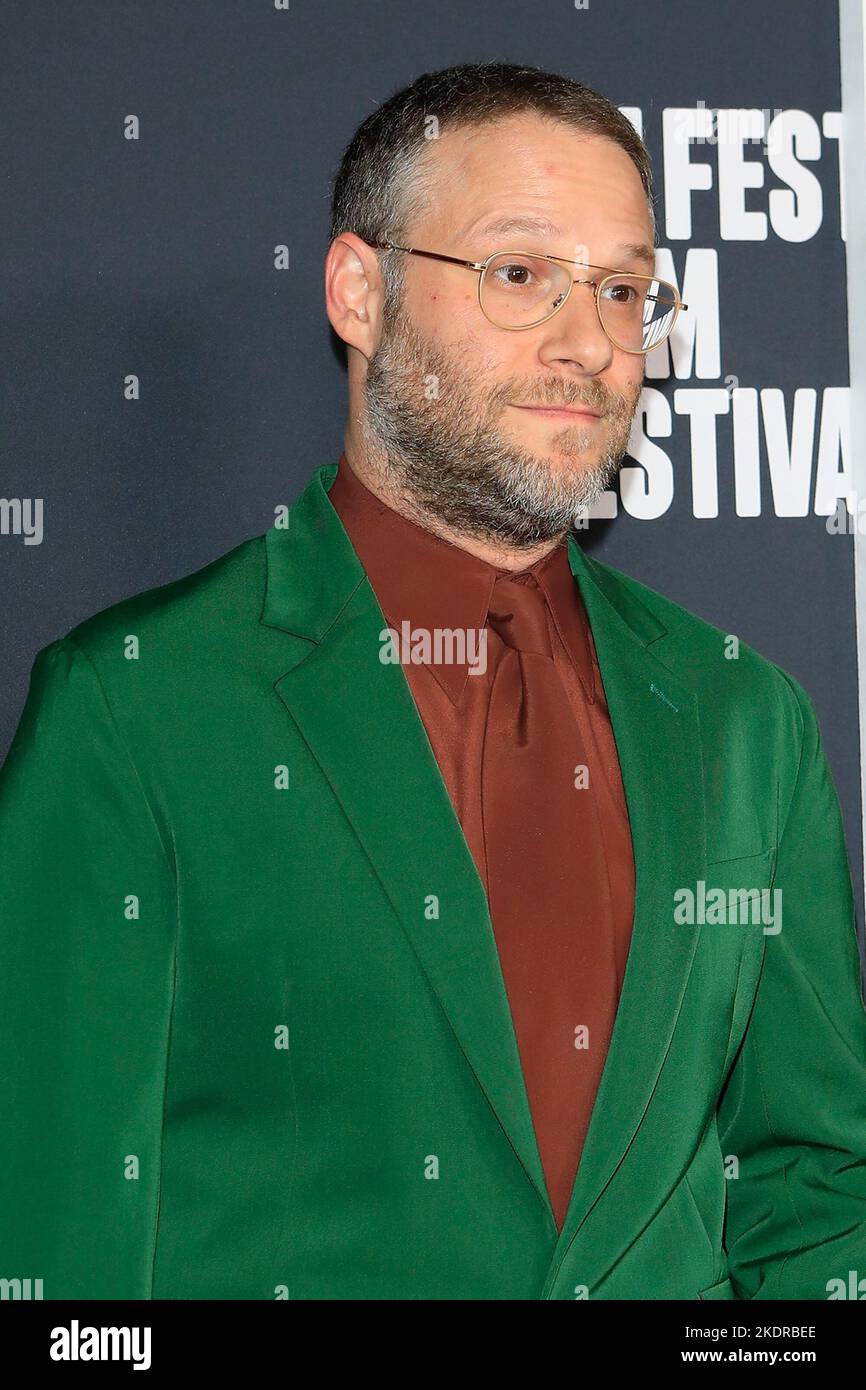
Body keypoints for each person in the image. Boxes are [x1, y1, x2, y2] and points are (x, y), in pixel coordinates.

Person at [1, 61, 865, 1302]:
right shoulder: (135, 707)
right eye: (520, 275)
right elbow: (53, 1256)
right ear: (360, 291)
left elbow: (810, 1191)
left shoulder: (741, 717)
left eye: (622, 289)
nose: (586, 343)